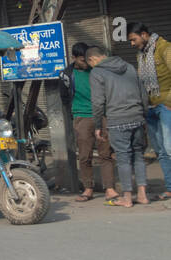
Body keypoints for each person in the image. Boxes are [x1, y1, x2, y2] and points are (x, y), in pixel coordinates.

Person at [87, 45, 150, 207]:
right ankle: (142, 194)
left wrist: (98, 124)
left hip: (117, 119)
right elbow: (143, 93)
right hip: (137, 116)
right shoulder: (128, 67)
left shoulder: (97, 72)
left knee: (123, 158)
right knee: (138, 155)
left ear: (92, 59)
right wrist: (143, 114)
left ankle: (127, 198)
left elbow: (98, 101)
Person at [61, 42, 117, 202]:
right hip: (81, 117)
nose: (86, 63)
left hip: (102, 116)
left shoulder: (98, 70)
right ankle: (88, 188)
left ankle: (110, 188)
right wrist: (74, 113)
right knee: (85, 156)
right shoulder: (66, 75)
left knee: (105, 154)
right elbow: (64, 97)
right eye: (81, 60)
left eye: (87, 59)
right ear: (74, 58)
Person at [130, 22, 171, 199]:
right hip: (151, 108)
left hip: (166, 106)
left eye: (134, 39)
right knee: (161, 151)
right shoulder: (142, 55)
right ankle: (170, 187)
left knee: (170, 149)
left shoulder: (165, 48)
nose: (132, 44)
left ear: (144, 34)